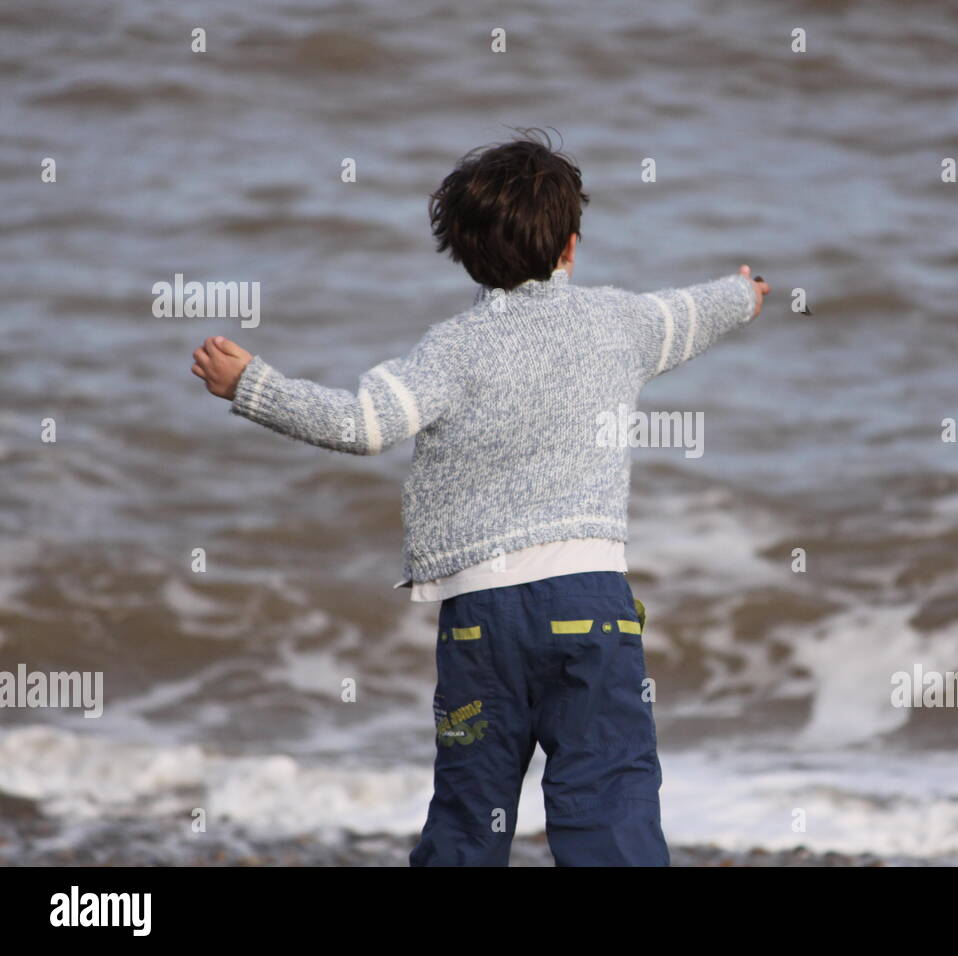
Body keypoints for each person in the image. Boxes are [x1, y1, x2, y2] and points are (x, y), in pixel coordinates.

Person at [190, 129, 770, 866]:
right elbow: (692, 311)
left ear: (461, 251)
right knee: (611, 797)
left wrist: (252, 385)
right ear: (569, 245)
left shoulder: (452, 348)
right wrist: (745, 295)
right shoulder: (618, 324)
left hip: (482, 621)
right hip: (591, 604)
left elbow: (362, 425)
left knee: (471, 809)